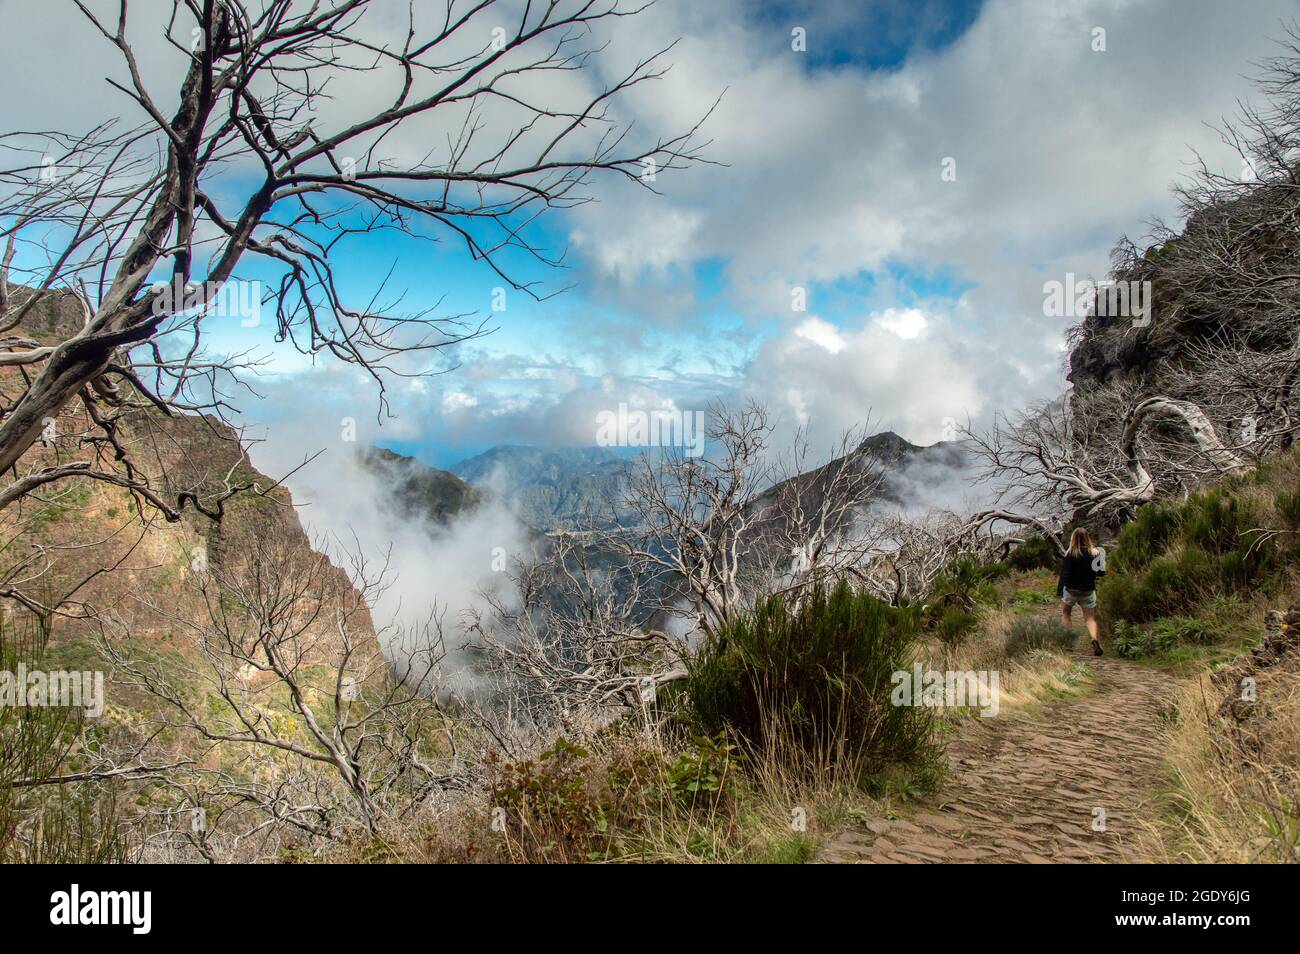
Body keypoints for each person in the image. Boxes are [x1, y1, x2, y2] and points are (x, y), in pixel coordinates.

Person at [1058, 527, 1105, 656]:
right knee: (1090, 618)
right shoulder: (1095, 553)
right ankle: (1094, 639)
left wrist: (1060, 590)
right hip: (1088, 590)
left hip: (1071, 590)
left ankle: (1069, 642)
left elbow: (1065, 574)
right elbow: (1101, 573)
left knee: (1066, 614)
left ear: (1073, 538)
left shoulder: (1070, 554)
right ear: (1087, 538)